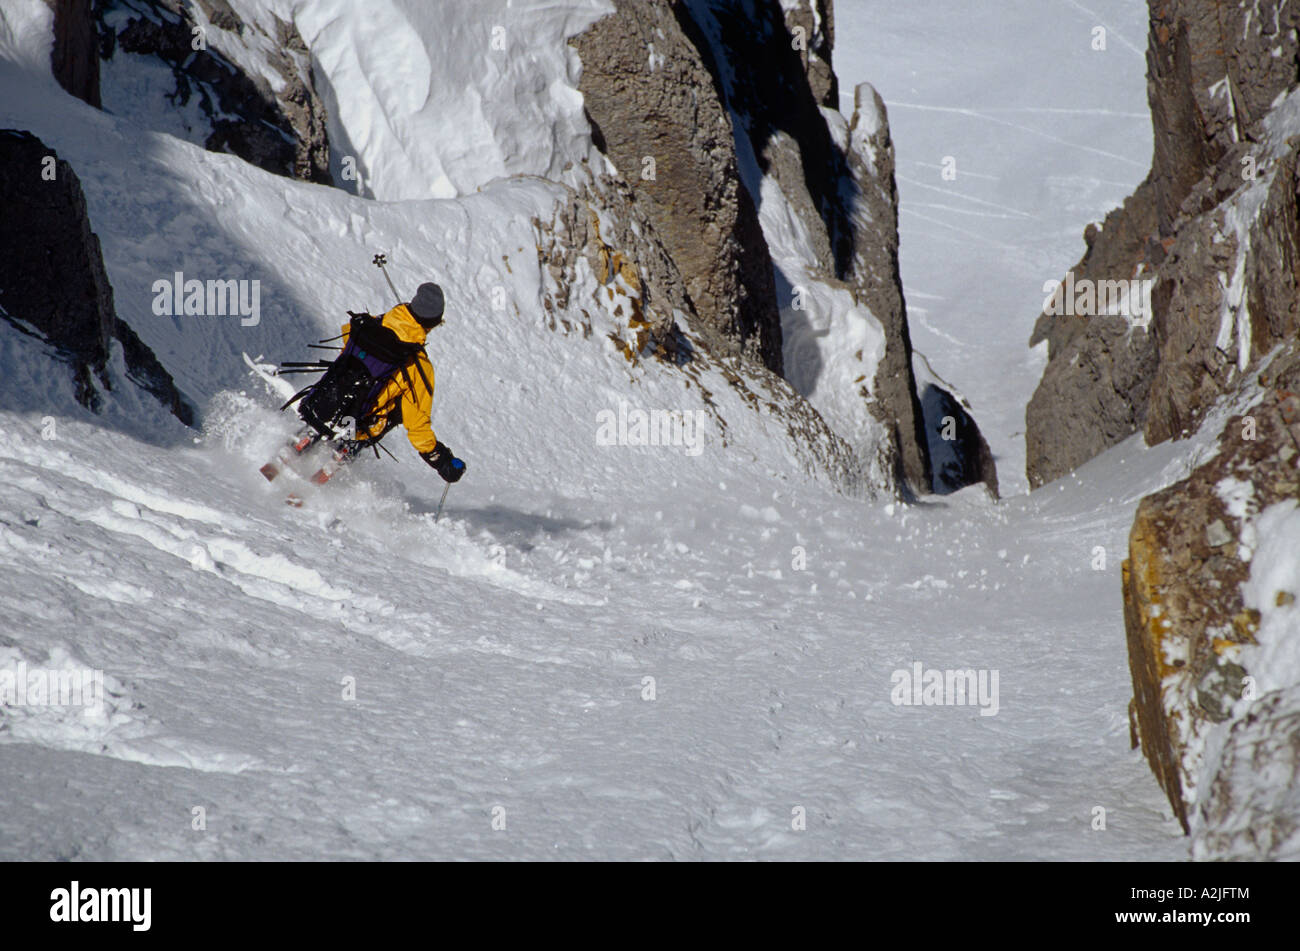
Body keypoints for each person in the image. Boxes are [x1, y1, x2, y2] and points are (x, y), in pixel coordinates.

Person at [283, 282, 466, 485]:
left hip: (325, 399)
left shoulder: (369, 323)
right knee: (393, 412)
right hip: (357, 424)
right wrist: (440, 459)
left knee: (333, 409)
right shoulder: (417, 364)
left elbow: (347, 335)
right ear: (433, 324)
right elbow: (417, 425)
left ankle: (302, 441)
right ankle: (344, 451)